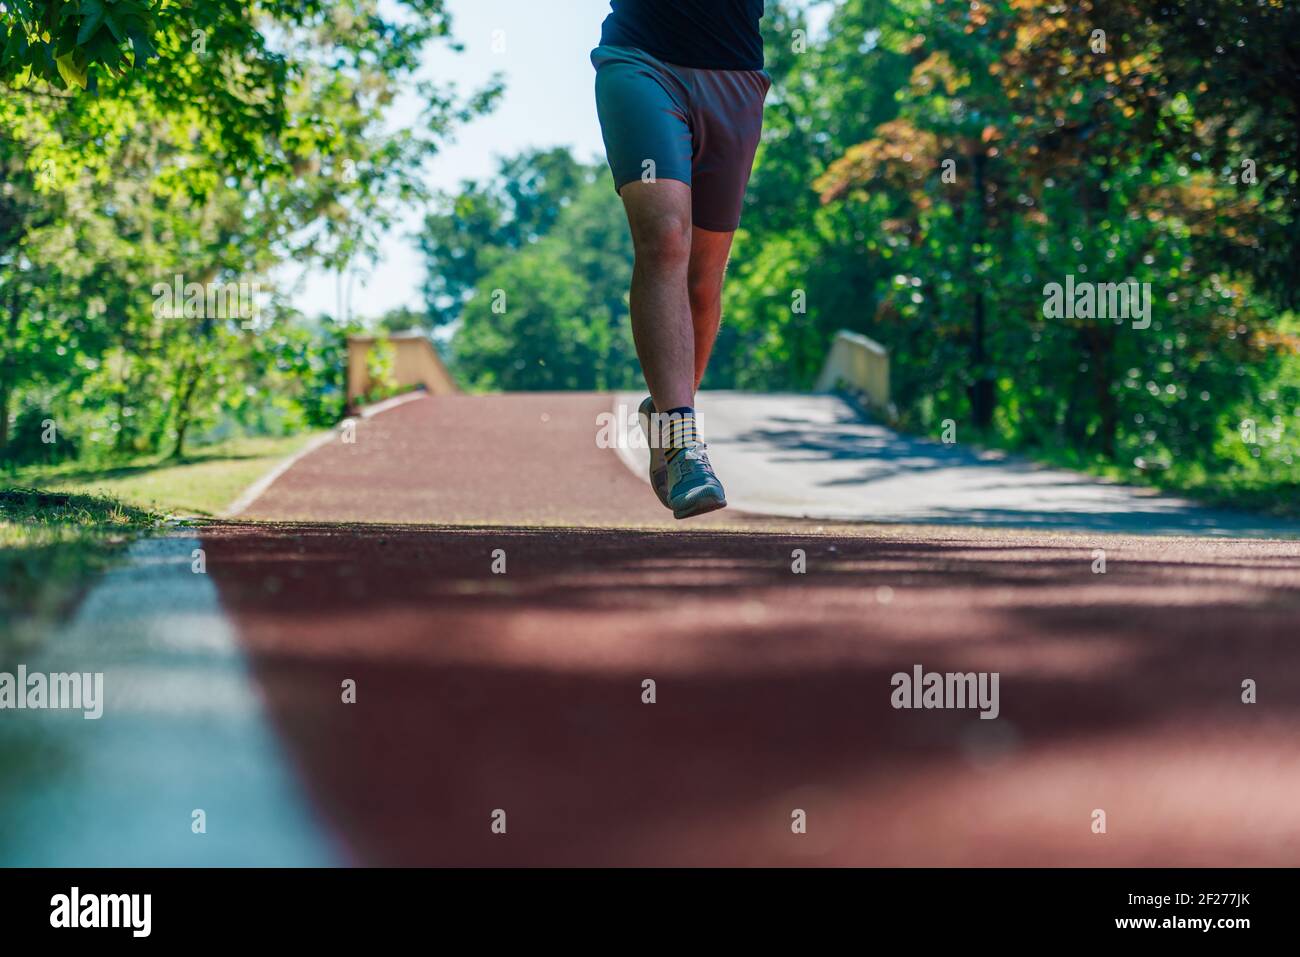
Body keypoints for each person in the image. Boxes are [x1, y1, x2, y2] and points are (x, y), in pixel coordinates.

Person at [592, 0, 770, 519]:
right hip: (640, 59)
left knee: (703, 278)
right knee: (666, 237)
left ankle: (667, 412)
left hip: (734, 75)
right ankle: (683, 442)